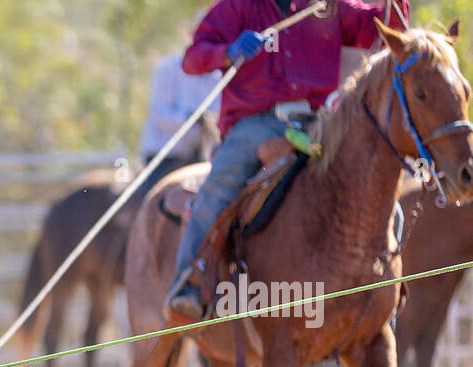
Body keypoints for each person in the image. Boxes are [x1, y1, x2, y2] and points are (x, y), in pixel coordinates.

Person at [167, 0, 410, 321]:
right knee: (220, 186)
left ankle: (378, 289)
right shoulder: (239, 7)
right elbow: (192, 59)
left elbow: (386, 30)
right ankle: (188, 283)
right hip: (255, 123)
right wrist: (227, 52)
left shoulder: (329, 7)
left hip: (318, 124)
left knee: (382, 203)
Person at [138, 50, 221, 192]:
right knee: (152, 197)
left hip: (199, 155)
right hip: (164, 155)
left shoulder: (218, 76)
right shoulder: (168, 70)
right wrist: (190, 118)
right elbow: (159, 114)